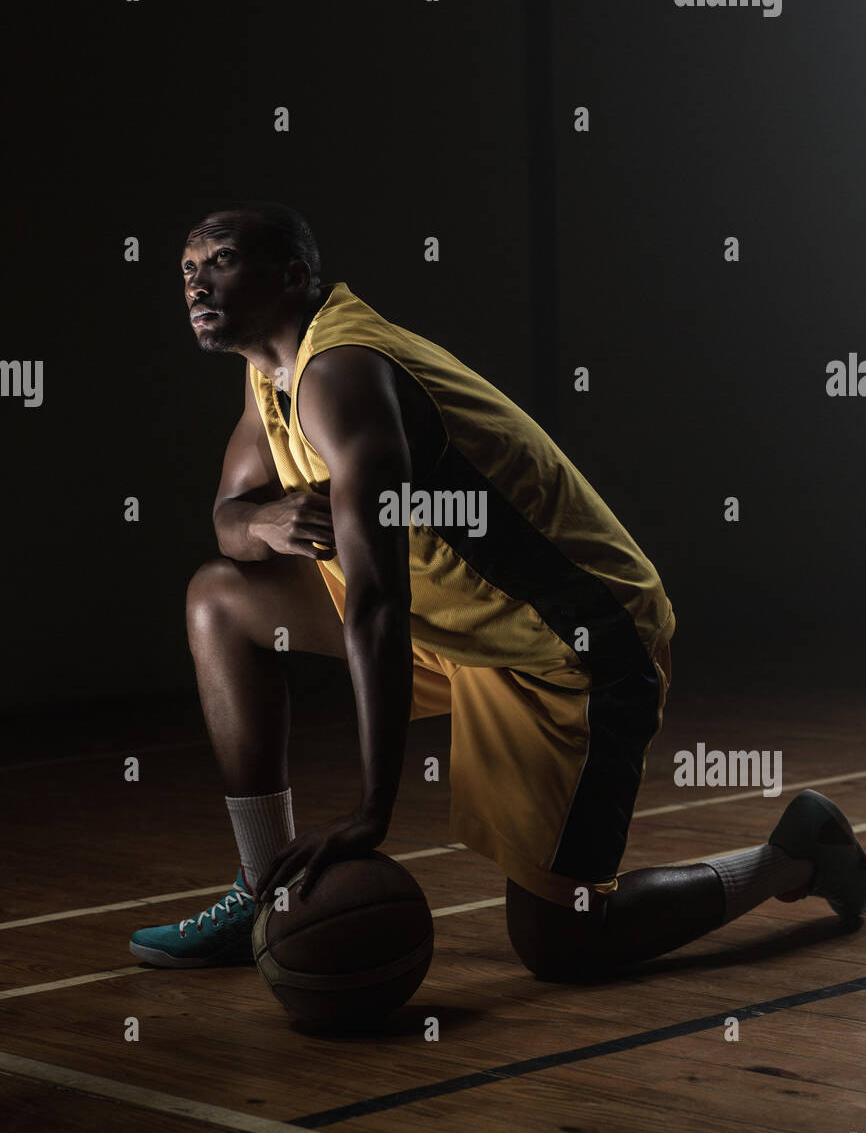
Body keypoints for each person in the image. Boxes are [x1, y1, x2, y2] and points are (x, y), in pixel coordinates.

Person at [129, 201, 865, 978]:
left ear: (293, 276)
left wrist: (371, 811)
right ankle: (263, 879)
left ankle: (796, 856)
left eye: (221, 261)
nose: (196, 282)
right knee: (218, 598)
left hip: (573, 645)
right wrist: (269, 523)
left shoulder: (341, 375)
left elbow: (377, 602)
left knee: (565, 942)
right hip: (456, 626)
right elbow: (228, 519)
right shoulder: (266, 374)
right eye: (186, 267)